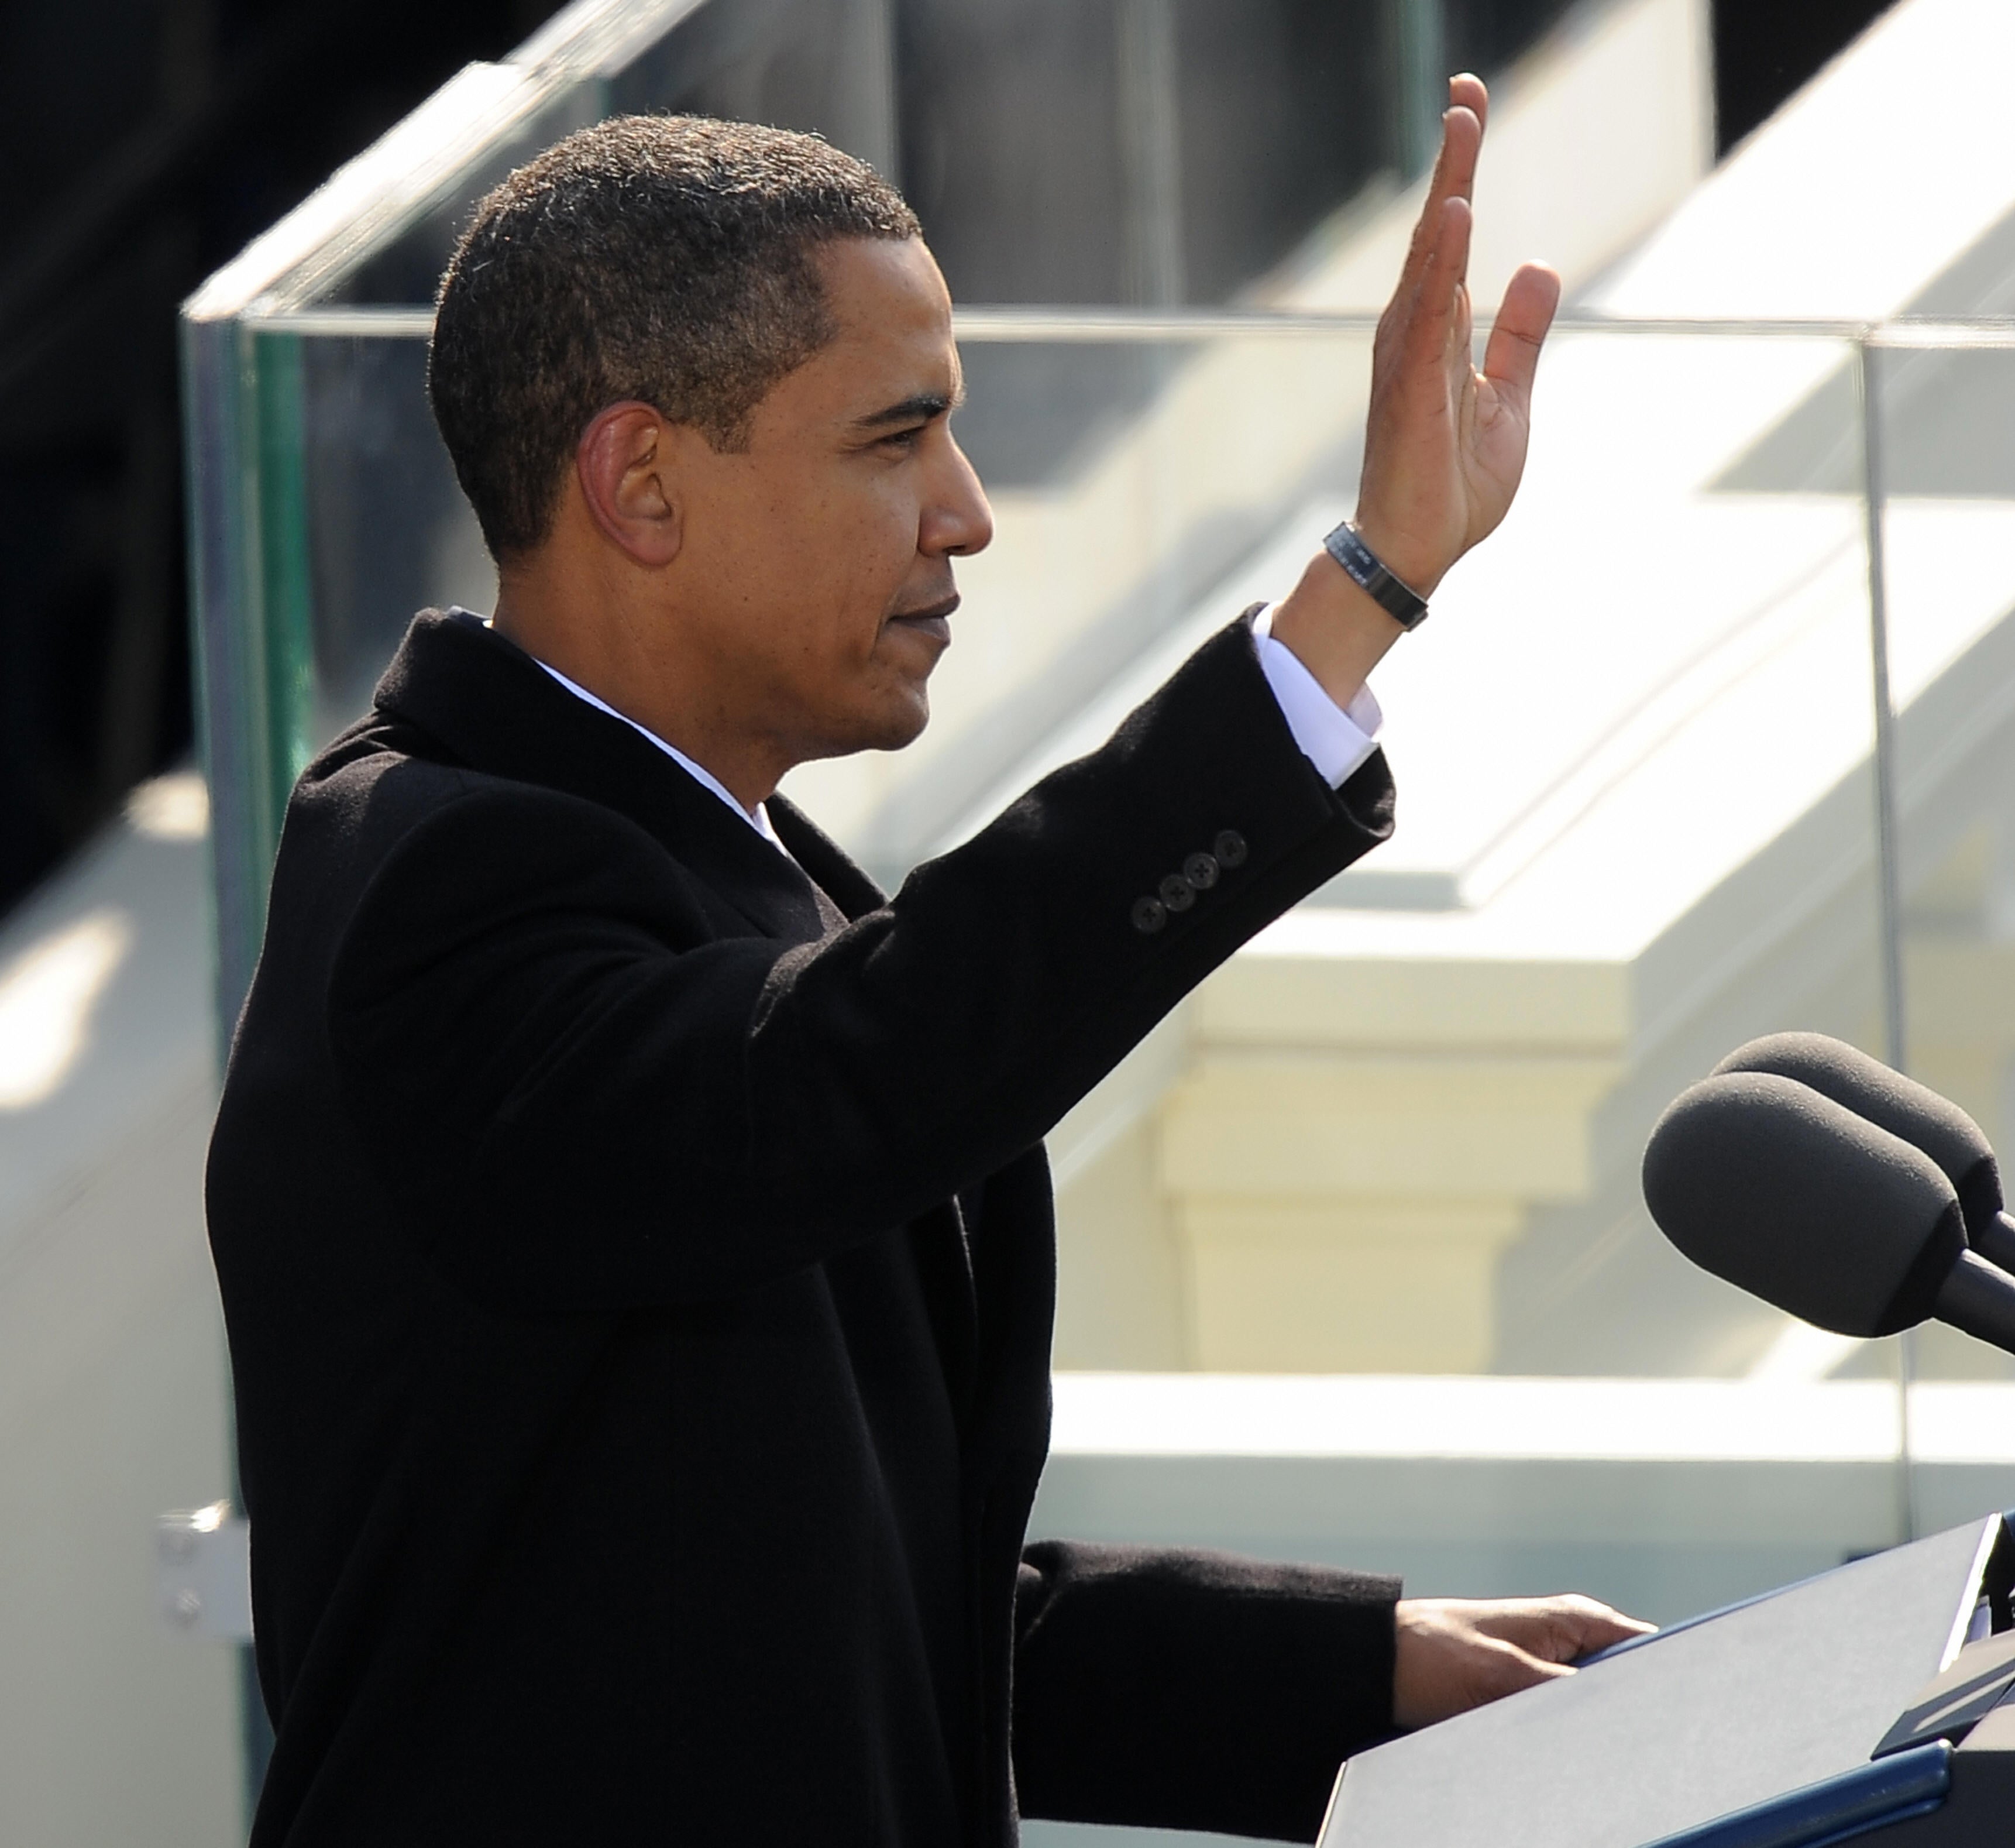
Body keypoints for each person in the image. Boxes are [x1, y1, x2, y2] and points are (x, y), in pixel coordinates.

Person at [207, 77, 1648, 1847]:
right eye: (896, 439)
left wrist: (1378, 1671)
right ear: (639, 482)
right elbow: (840, 1080)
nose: (964, 512)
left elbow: (832, 1611)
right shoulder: (441, 874)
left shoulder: (728, 869)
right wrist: (1351, 598)